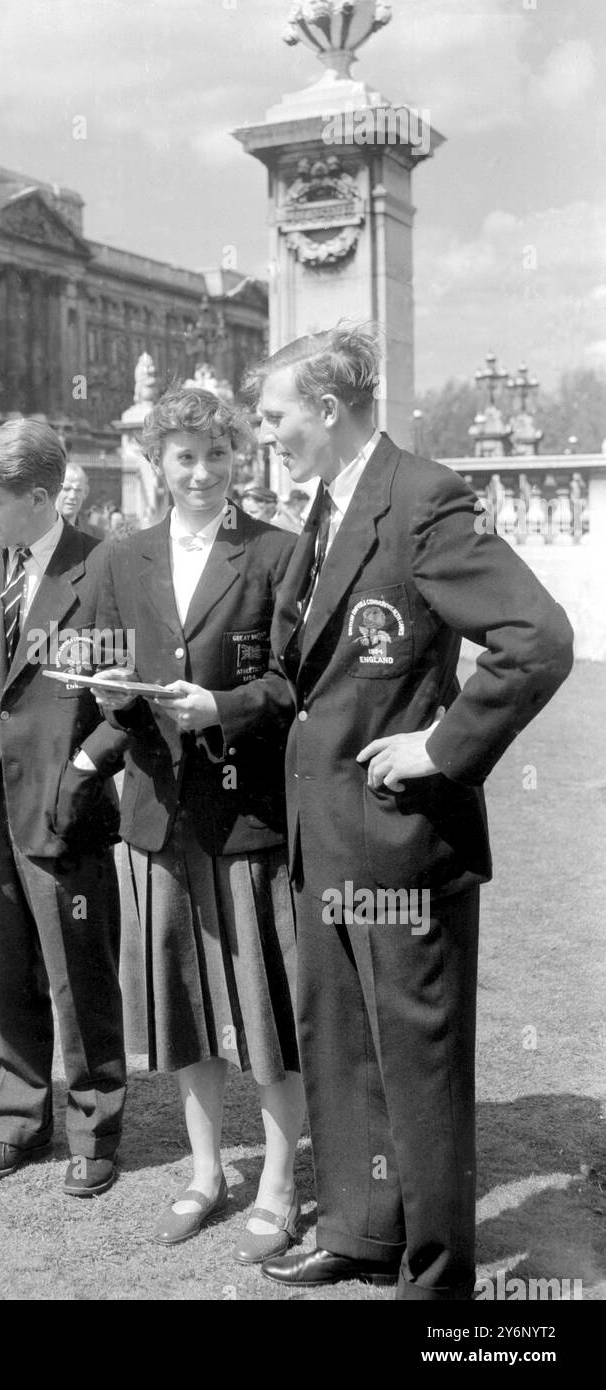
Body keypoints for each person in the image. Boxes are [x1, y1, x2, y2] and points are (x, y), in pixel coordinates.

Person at [244, 326, 573, 1299]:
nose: (264, 436)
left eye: (273, 417)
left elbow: (536, 638)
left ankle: (433, 1280)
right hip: (328, 842)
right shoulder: (323, 510)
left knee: (416, 1072)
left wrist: (440, 746)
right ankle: (361, 1230)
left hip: (397, 847)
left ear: (329, 411)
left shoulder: (421, 498)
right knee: (342, 1049)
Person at [89, 388, 304, 1259]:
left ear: (239, 458)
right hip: (157, 818)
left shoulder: (278, 554)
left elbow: (297, 684)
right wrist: (111, 698)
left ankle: (283, 1184)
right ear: (156, 464)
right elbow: (107, 675)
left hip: (246, 816)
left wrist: (224, 704)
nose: (202, 472)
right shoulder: (120, 558)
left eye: (217, 454)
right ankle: (205, 1172)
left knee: (263, 1009)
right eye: (183, 456)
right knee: (180, 1009)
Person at [0, 418, 129, 1197]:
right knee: (4, 971)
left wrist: (85, 768)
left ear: (41, 496)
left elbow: (131, 696)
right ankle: (17, 1116)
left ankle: (94, 1127)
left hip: (66, 805)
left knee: (77, 975)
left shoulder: (107, 568)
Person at [56, 462, 100, 539]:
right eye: (66, 489)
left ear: (85, 492)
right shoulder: (35, 533)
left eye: (78, 490)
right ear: (54, 490)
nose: (72, 496)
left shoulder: (97, 536)